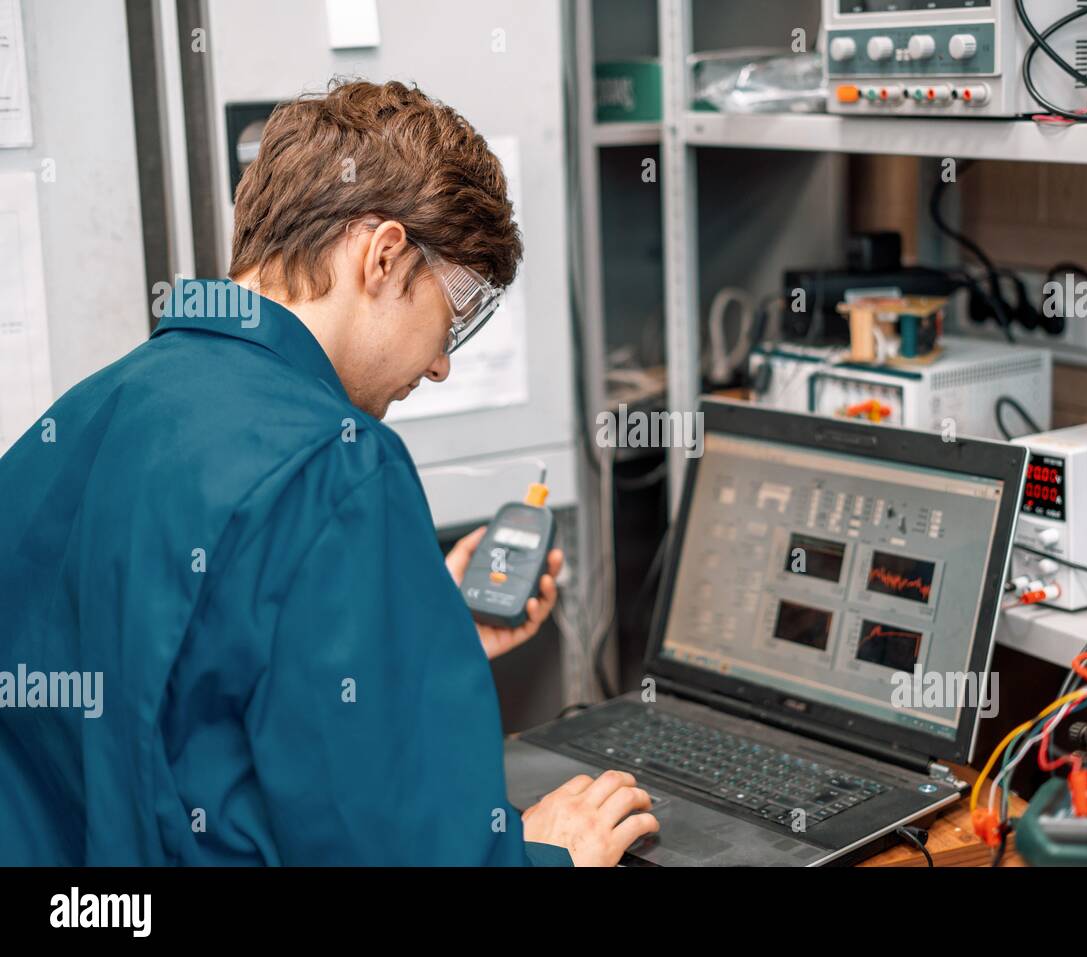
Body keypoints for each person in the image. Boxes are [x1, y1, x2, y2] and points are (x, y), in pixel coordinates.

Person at [0, 79, 657, 866]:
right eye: (454, 313)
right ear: (383, 255)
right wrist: (550, 853)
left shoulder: (81, 418)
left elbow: (172, 697)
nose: (443, 363)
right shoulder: (337, 466)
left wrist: (409, 637)